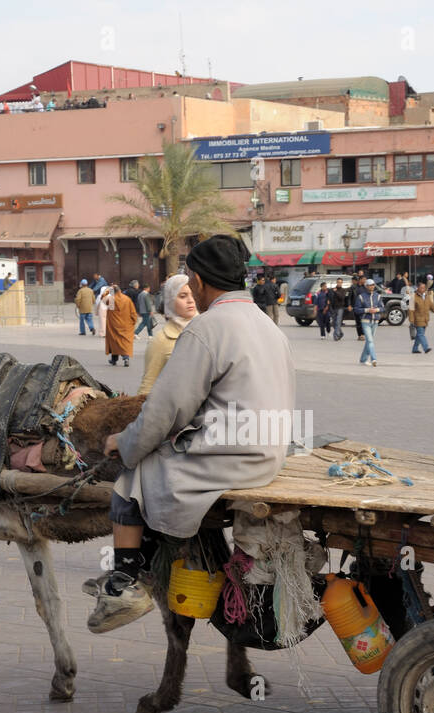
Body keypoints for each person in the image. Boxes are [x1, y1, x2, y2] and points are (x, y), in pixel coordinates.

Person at [87, 235, 296, 631]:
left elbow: (165, 410)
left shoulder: (207, 328)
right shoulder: (267, 325)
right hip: (269, 452)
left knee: (129, 483)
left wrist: (124, 444)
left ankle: (125, 585)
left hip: (229, 459)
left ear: (198, 280)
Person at [138, 273, 196, 395]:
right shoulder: (161, 341)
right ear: (170, 300)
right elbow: (148, 387)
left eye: (193, 294)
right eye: (183, 296)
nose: (190, 300)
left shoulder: (207, 329)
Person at [106, 284, 136, 367]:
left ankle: (114, 360)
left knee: (114, 342)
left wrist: (109, 291)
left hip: (114, 325)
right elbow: (133, 313)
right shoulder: (127, 299)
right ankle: (126, 358)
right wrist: (133, 322)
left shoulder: (112, 300)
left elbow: (103, 300)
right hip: (126, 325)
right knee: (124, 343)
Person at [355, 278, 383, 367]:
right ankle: (374, 359)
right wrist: (367, 310)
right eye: (370, 285)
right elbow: (356, 310)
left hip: (375, 321)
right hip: (365, 321)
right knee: (370, 340)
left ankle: (363, 359)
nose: (372, 286)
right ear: (366, 286)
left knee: (369, 341)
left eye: (373, 285)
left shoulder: (377, 296)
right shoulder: (361, 297)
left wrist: (377, 309)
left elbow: (383, 308)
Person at [411, 280, 434, 354]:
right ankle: (426, 348)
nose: (423, 289)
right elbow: (410, 310)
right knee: (421, 334)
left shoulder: (426, 296)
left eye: (424, 288)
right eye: (422, 288)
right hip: (418, 319)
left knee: (419, 335)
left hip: (425, 319)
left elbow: (431, 305)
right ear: (418, 288)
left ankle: (415, 348)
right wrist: (411, 320)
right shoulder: (413, 297)